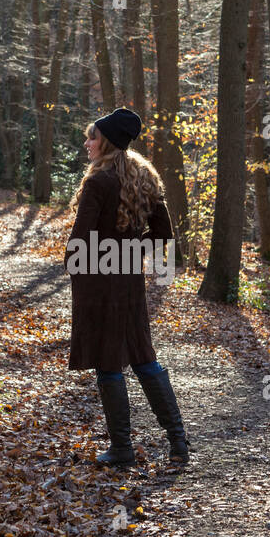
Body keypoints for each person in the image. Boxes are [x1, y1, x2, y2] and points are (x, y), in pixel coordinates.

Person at [64, 107, 190, 467]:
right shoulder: (145, 179)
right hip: (130, 283)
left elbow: (79, 244)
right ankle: (178, 442)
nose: (87, 142)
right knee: (144, 357)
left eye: (92, 136)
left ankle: (122, 448)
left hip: (100, 286)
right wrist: (129, 251)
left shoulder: (97, 182)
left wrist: (79, 274)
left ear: (106, 142)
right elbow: (164, 236)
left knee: (109, 364)